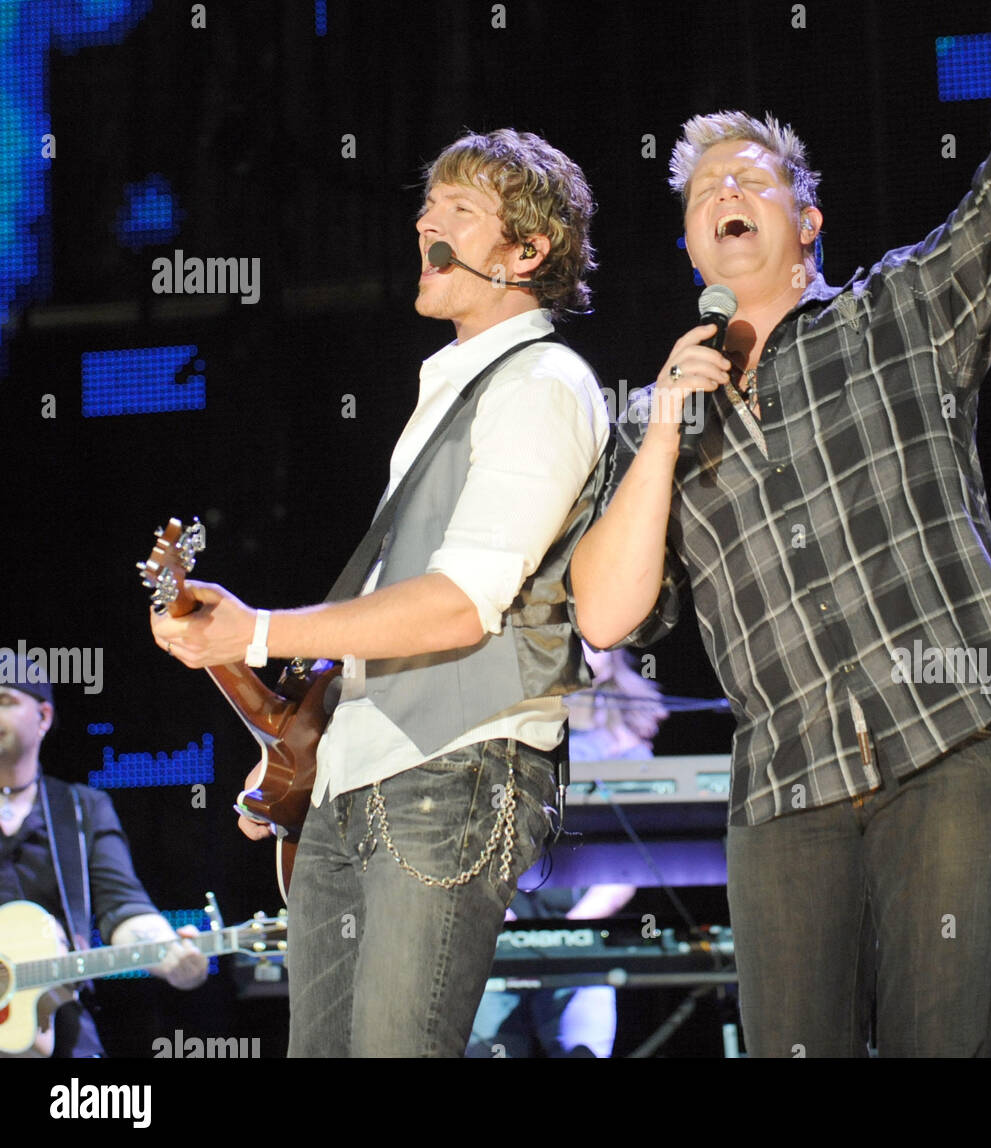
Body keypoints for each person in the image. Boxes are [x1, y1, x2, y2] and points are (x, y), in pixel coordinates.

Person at [571, 0, 991, 1057]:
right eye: (702, 192)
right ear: (694, 241)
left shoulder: (895, 310)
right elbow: (605, 608)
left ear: (806, 218)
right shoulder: (659, 413)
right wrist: (656, 431)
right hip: (785, 779)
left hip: (945, 724)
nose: (723, 194)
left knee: (934, 1033)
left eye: (751, 177)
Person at [150, 128, 610, 1058]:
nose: (425, 224)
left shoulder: (539, 383)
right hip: (360, 780)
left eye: (460, 212)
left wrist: (263, 631)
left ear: (529, 253)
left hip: (453, 773)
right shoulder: (449, 392)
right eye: (427, 207)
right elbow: (395, 624)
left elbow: (460, 603)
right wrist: (304, 743)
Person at [466, 644, 668, 1057]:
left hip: (583, 926)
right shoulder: (506, 727)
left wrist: (576, 926)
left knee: (583, 1046)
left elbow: (629, 860)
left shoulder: (626, 743)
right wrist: (491, 907)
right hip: (502, 920)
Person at [0, 663, 208, 1057]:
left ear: (44, 716)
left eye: (5, 701)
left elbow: (122, 907)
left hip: (55, 1022)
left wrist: (168, 954)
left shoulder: (80, 808)